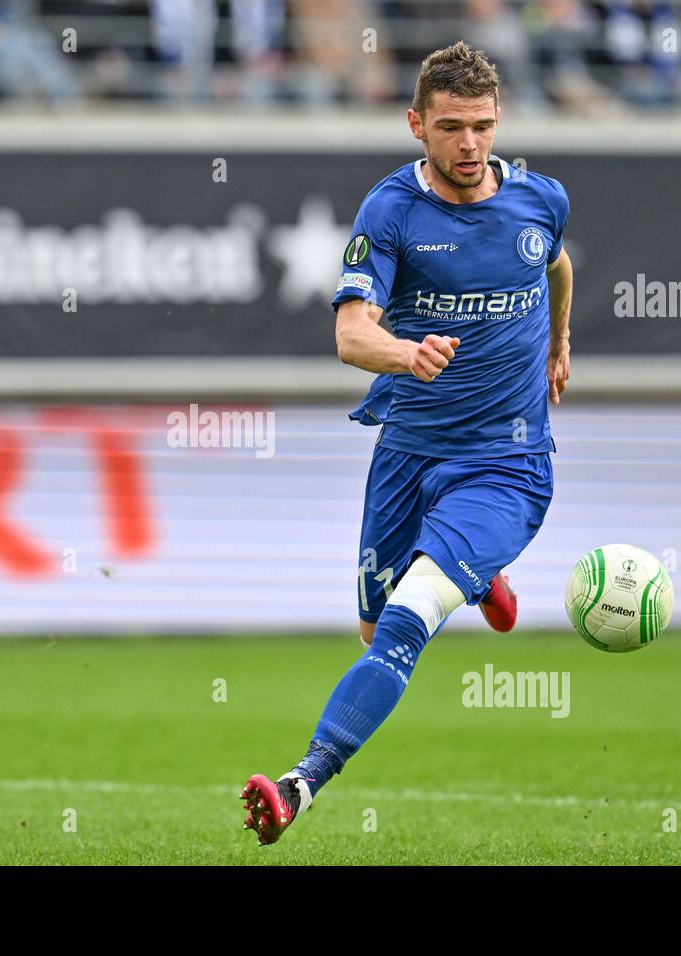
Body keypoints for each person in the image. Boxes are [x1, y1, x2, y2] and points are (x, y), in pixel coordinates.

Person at [241, 41, 573, 844]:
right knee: (371, 628)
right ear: (416, 124)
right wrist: (407, 354)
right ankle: (475, 573)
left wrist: (561, 343)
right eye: (452, 127)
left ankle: (300, 783)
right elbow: (352, 334)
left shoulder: (539, 200)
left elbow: (557, 266)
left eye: (483, 127)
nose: (470, 145)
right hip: (410, 451)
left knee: (404, 624)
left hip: (507, 462)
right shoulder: (390, 213)